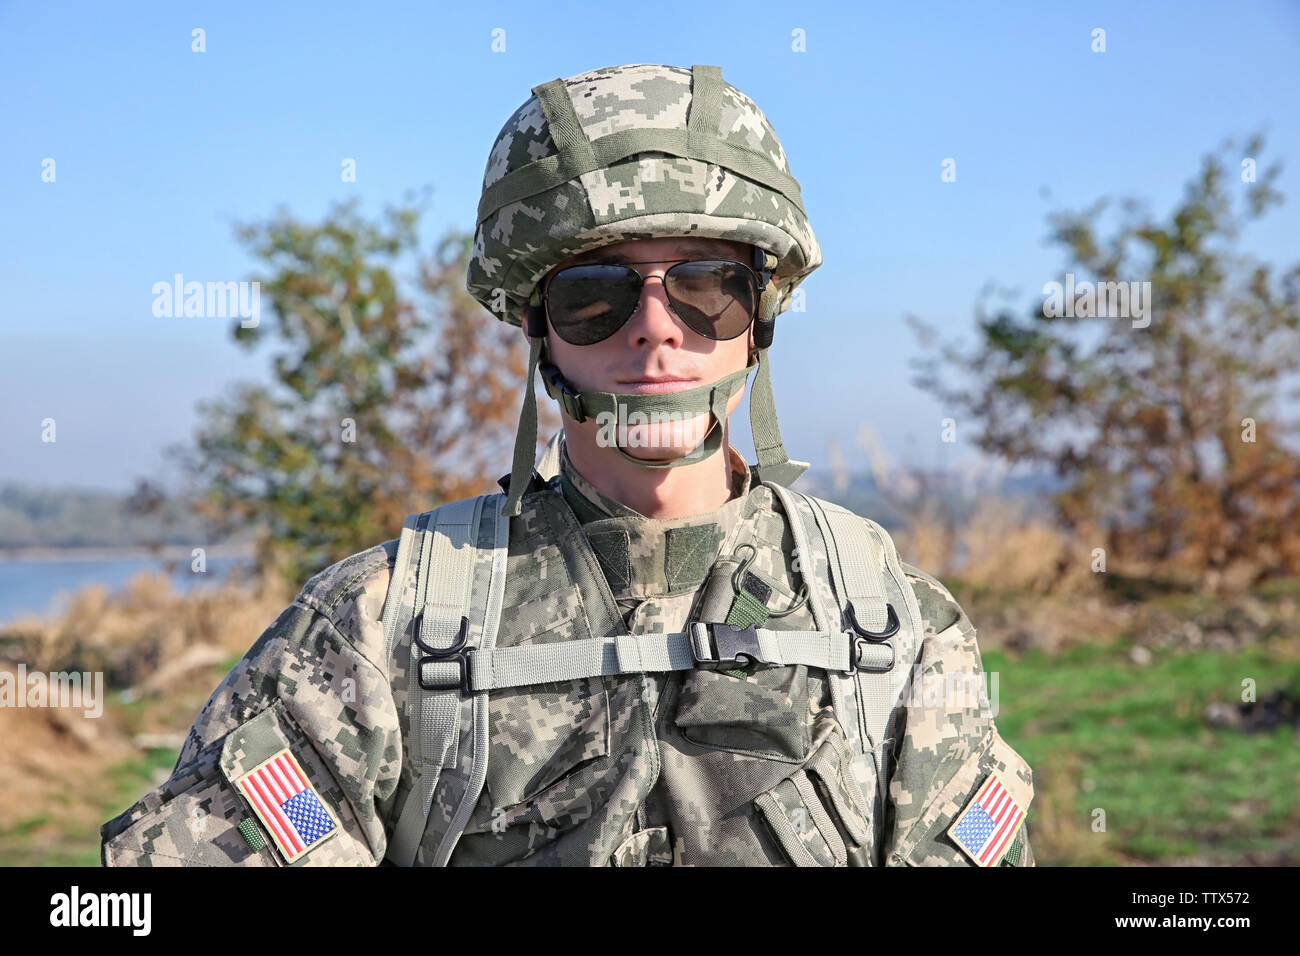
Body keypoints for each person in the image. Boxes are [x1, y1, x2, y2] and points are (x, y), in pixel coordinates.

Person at [101, 62, 1035, 867]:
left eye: (708, 287)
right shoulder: (383, 626)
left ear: (760, 320)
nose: (657, 328)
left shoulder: (888, 622)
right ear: (540, 329)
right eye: (597, 294)